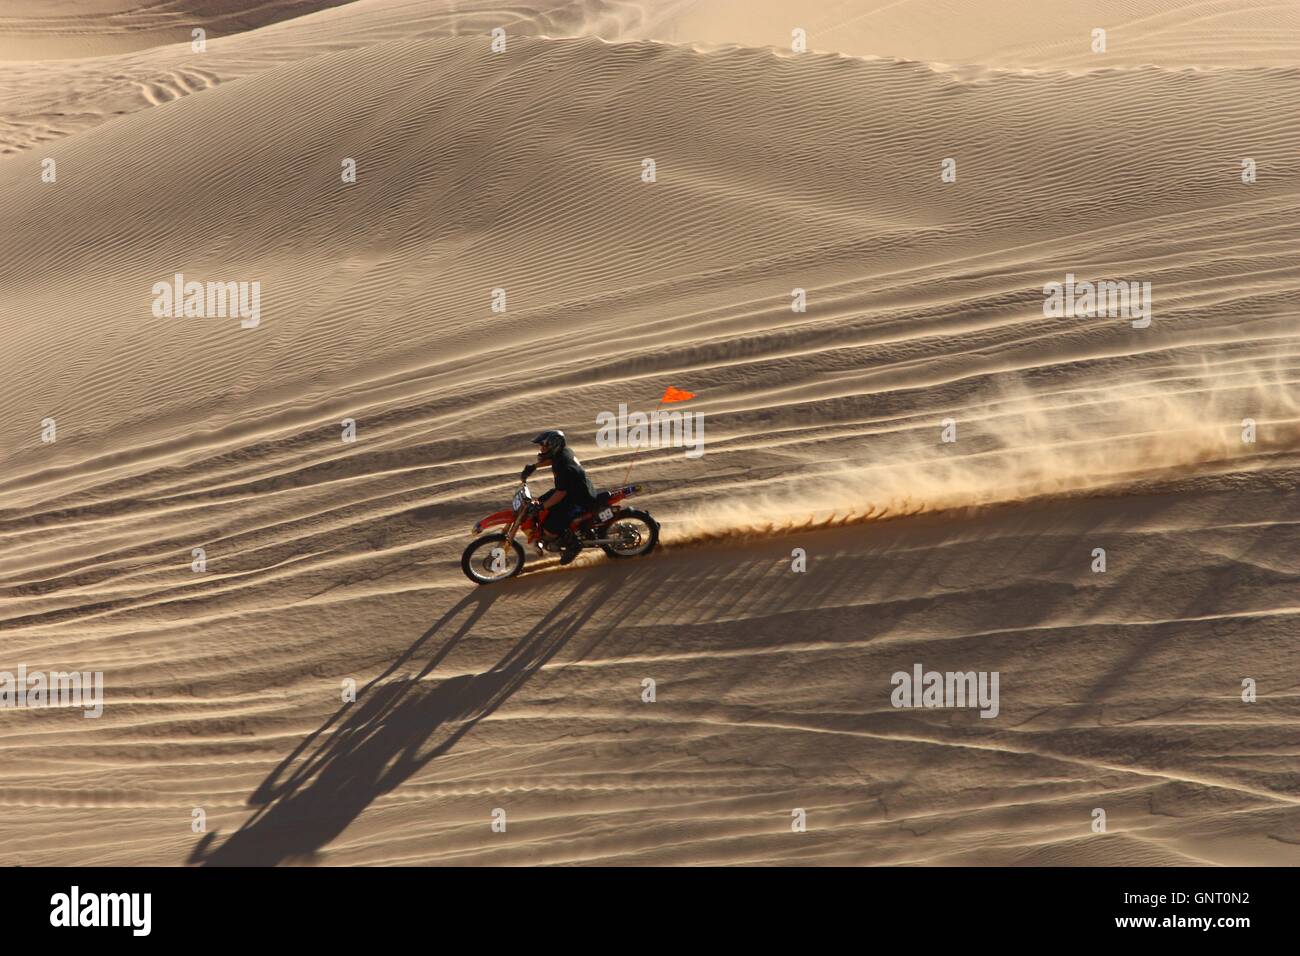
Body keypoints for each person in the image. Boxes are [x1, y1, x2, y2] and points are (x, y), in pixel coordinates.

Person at [520, 429, 597, 565]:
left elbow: (560, 494)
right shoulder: (563, 452)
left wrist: (542, 506)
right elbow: (551, 460)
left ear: (554, 446)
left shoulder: (564, 468)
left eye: (544, 446)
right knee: (539, 502)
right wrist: (534, 467)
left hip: (578, 499)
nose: (541, 449)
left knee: (551, 525)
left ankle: (573, 544)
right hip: (573, 490)